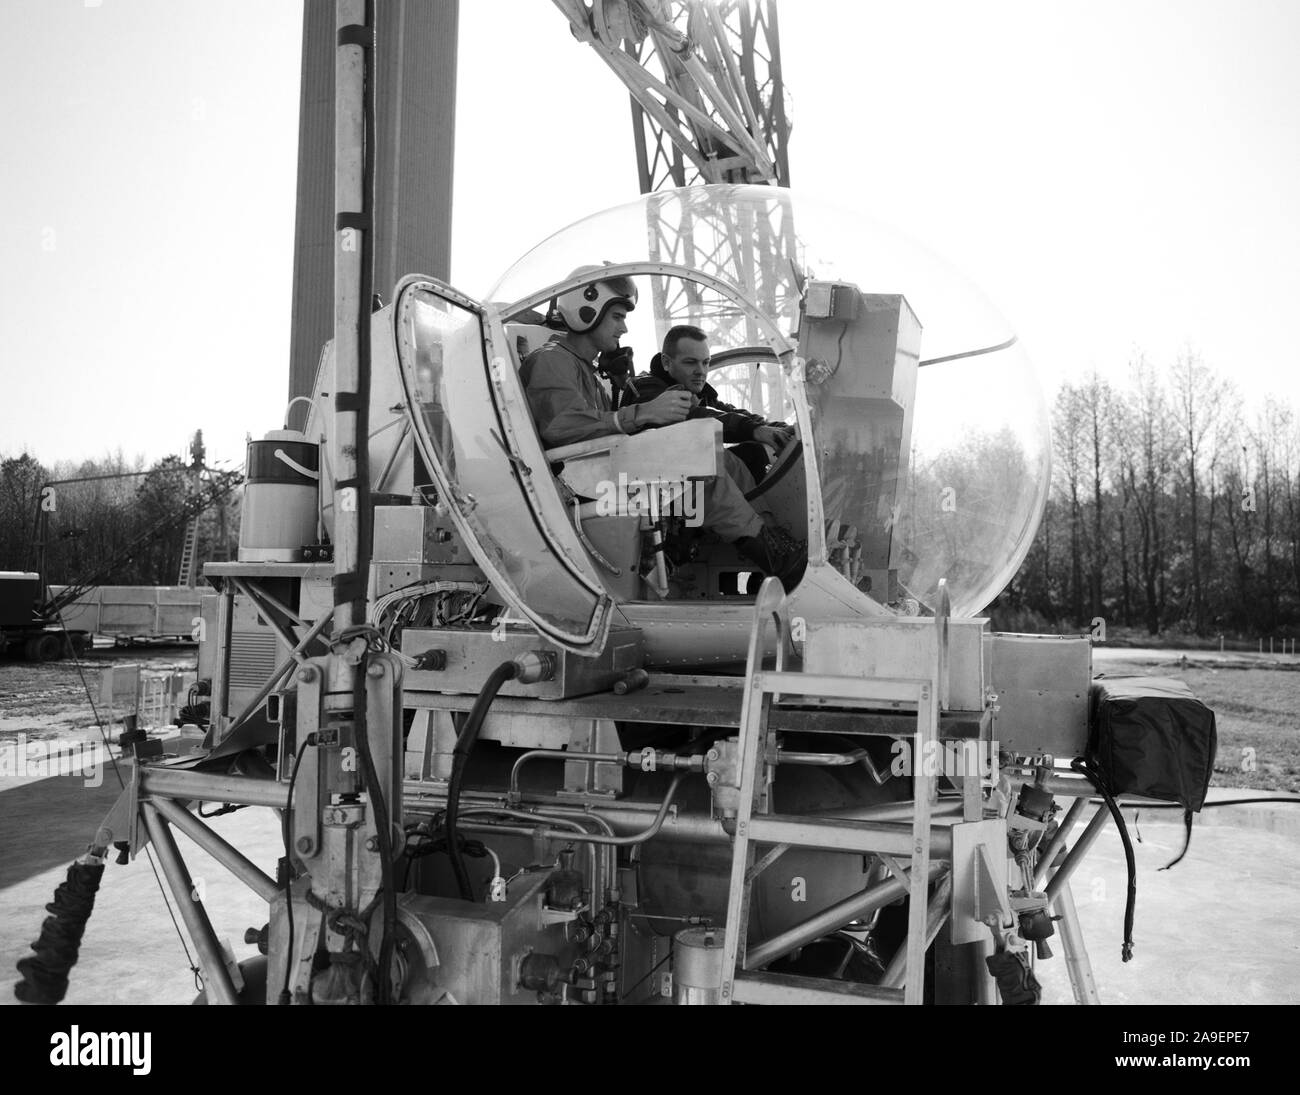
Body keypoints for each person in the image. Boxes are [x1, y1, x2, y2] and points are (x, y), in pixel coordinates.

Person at [519, 268, 805, 589]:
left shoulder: (583, 367)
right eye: (616, 316)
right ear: (585, 313)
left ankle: (771, 541)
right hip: (583, 485)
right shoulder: (552, 361)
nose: (623, 328)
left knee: (716, 460)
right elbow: (561, 427)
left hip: (599, 474)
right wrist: (642, 413)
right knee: (701, 473)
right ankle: (778, 559)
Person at [622, 324, 795, 482]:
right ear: (666, 362)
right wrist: (753, 430)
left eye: (705, 363)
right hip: (661, 489)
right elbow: (694, 417)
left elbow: (728, 412)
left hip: (686, 482)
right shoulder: (646, 389)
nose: (701, 371)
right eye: (691, 362)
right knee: (752, 454)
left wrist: (779, 429)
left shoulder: (700, 394)